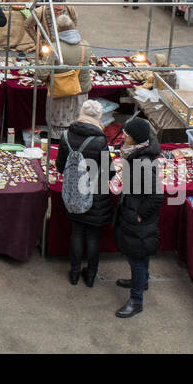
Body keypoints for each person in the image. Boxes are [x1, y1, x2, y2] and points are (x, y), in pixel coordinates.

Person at [55, 100, 112, 287]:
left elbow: (60, 166)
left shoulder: (66, 135)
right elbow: (108, 171)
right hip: (97, 194)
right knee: (93, 236)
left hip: (74, 192)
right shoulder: (101, 140)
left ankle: (74, 273)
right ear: (98, 118)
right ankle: (91, 276)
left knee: (77, 232)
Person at [114, 116, 162, 318]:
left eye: (127, 133)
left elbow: (156, 195)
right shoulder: (136, 154)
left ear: (136, 138)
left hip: (138, 217)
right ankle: (142, 281)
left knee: (136, 257)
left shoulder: (143, 162)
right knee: (140, 254)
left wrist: (140, 215)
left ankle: (136, 300)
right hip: (134, 210)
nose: (123, 134)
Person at [45, 13, 92, 143]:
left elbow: (43, 73)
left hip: (60, 93)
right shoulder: (85, 46)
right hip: (80, 91)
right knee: (77, 128)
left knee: (58, 132)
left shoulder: (54, 48)